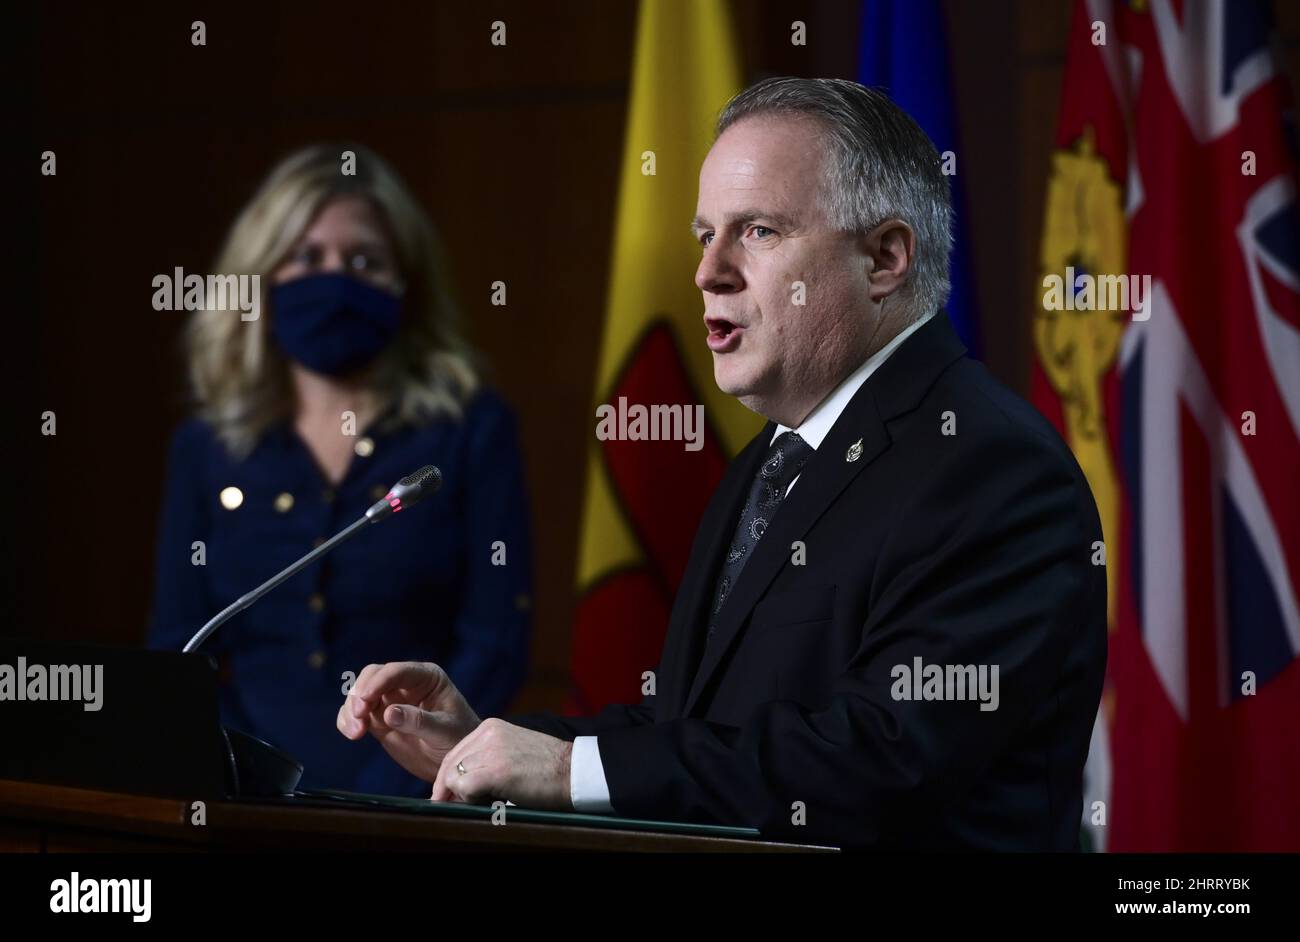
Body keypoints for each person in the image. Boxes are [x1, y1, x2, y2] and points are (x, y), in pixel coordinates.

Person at [336, 78, 1107, 848]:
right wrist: (488, 743)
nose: (709, 271)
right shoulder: (768, 463)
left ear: (884, 258)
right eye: (707, 234)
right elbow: (700, 726)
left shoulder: (992, 468)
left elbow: (881, 758)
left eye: (759, 231)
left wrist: (571, 770)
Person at [148, 144, 533, 797]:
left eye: (364, 262)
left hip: (420, 795)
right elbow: (178, 648)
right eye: (307, 258)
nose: (336, 280)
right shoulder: (206, 445)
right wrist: (248, 779)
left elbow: (495, 641)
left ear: (405, 284)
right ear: (261, 277)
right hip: (243, 797)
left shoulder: (472, 429)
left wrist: (391, 794)